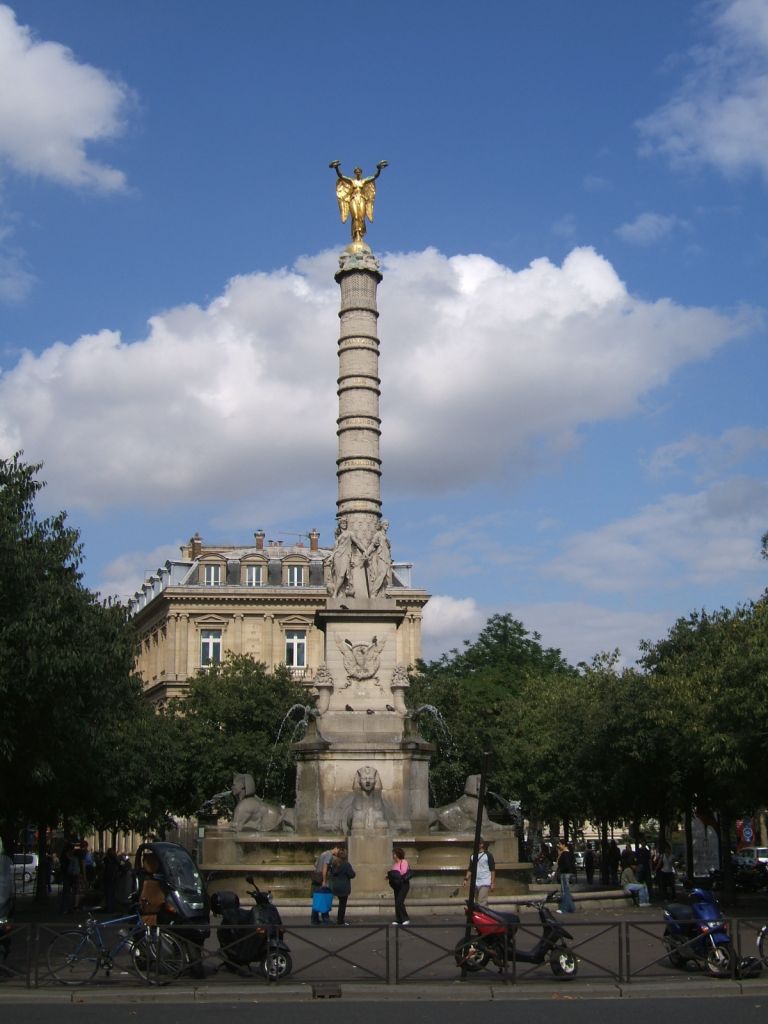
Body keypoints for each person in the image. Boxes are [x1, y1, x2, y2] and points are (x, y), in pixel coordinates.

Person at [311, 842, 341, 925]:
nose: (338, 853)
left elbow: (315, 864)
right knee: (324, 897)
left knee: (317, 898)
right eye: (339, 850)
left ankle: (314, 919)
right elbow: (325, 867)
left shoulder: (323, 853)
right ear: (336, 848)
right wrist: (324, 881)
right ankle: (325, 918)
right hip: (321, 878)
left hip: (316, 877)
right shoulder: (329, 855)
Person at [329, 846, 356, 926]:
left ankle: (335, 918)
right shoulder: (346, 864)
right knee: (342, 904)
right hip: (344, 887)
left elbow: (332, 873)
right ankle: (340, 921)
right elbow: (352, 875)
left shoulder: (335, 864)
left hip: (336, 886)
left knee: (340, 903)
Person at [463, 840, 496, 904]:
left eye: (478, 843)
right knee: (477, 902)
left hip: (485, 881)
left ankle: (483, 912)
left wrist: (492, 883)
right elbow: (470, 869)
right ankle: (483, 913)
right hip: (475, 882)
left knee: (481, 900)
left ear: (482, 845)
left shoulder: (488, 855)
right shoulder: (472, 856)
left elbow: (492, 870)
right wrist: (466, 879)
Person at [387, 847, 411, 926]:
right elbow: (395, 874)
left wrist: (394, 874)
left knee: (399, 901)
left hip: (403, 884)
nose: (392, 855)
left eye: (394, 854)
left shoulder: (403, 862)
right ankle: (399, 919)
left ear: (397, 854)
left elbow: (403, 872)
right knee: (396, 902)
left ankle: (405, 918)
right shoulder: (395, 864)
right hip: (396, 885)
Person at [556, 841, 576, 914]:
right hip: (569, 873)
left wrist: (561, 869)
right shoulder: (570, 853)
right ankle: (572, 907)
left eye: (560, 844)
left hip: (565, 873)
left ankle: (564, 908)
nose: (558, 846)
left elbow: (566, 864)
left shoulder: (565, 853)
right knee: (567, 891)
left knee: (565, 891)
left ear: (564, 845)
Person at [102, 848, 120, 913]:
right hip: (113, 877)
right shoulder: (115, 859)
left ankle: (109, 908)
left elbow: (103, 868)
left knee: (108, 893)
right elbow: (120, 865)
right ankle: (112, 908)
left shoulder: (106, 859)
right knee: (112, 893)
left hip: (108, 877)